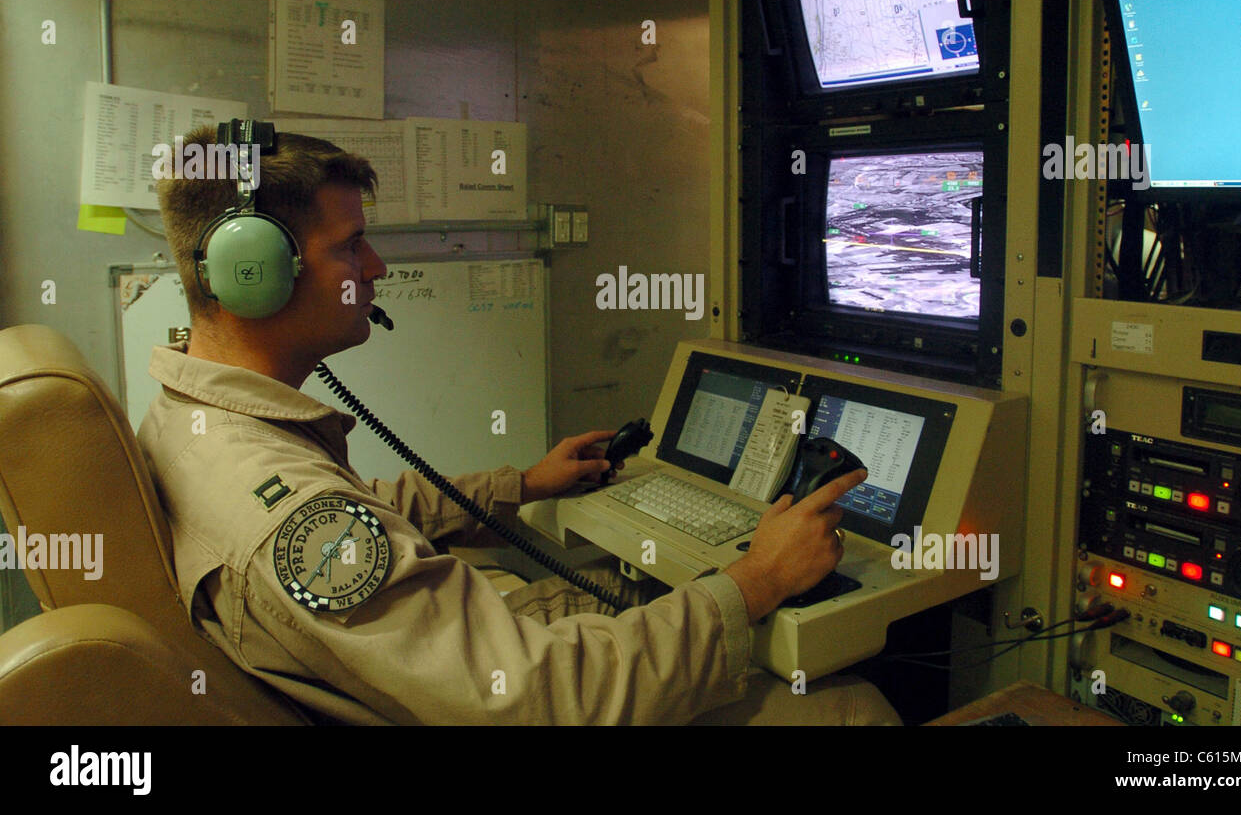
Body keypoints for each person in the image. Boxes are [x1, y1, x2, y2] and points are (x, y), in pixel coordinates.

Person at [137, 124, 901, 725]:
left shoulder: (204, 423)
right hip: (527, 697)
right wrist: (759, 578)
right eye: (348, 246)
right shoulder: (281, 516)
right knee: (851, 707)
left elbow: (359, 523)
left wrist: (521, 485)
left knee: (612, 583)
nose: (375, 268)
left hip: (457, 669)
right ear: (253, 274)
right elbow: (542, 701)